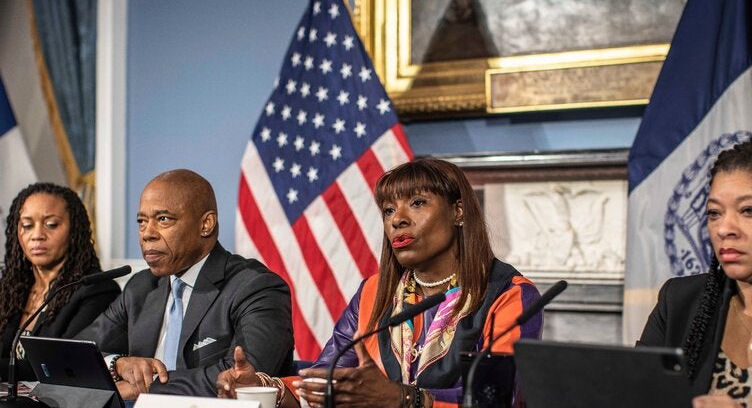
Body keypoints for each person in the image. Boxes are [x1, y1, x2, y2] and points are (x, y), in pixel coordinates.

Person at [216, 157, 542, 407]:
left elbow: (498, 398)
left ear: (458, 211)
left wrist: (405, 399)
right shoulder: (374, 292)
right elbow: (328, 378)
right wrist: (264, 388)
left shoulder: (509, 295)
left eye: (417, 203)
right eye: (388, 210)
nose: (397, 219)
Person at [76, 169, 294, 399]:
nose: (147, 233)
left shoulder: (255, 287)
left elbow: (244, 380)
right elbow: (74, 351)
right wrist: (117, 364)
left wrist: (148, 388)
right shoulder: (141, 287)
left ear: (206, 224)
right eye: (142, 221)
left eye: (163, 219)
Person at [638, 136, 752, 408]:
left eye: (749, 210)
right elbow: (638, 397)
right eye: (714, 213)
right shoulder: (679, 302)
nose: (724, 228)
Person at [0, 182, 121, 380]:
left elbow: (61, 365)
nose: (37, 235)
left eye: (51, 225)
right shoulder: (10, 289)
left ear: (74, 230)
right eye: (27, 226)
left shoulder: (96, 291)